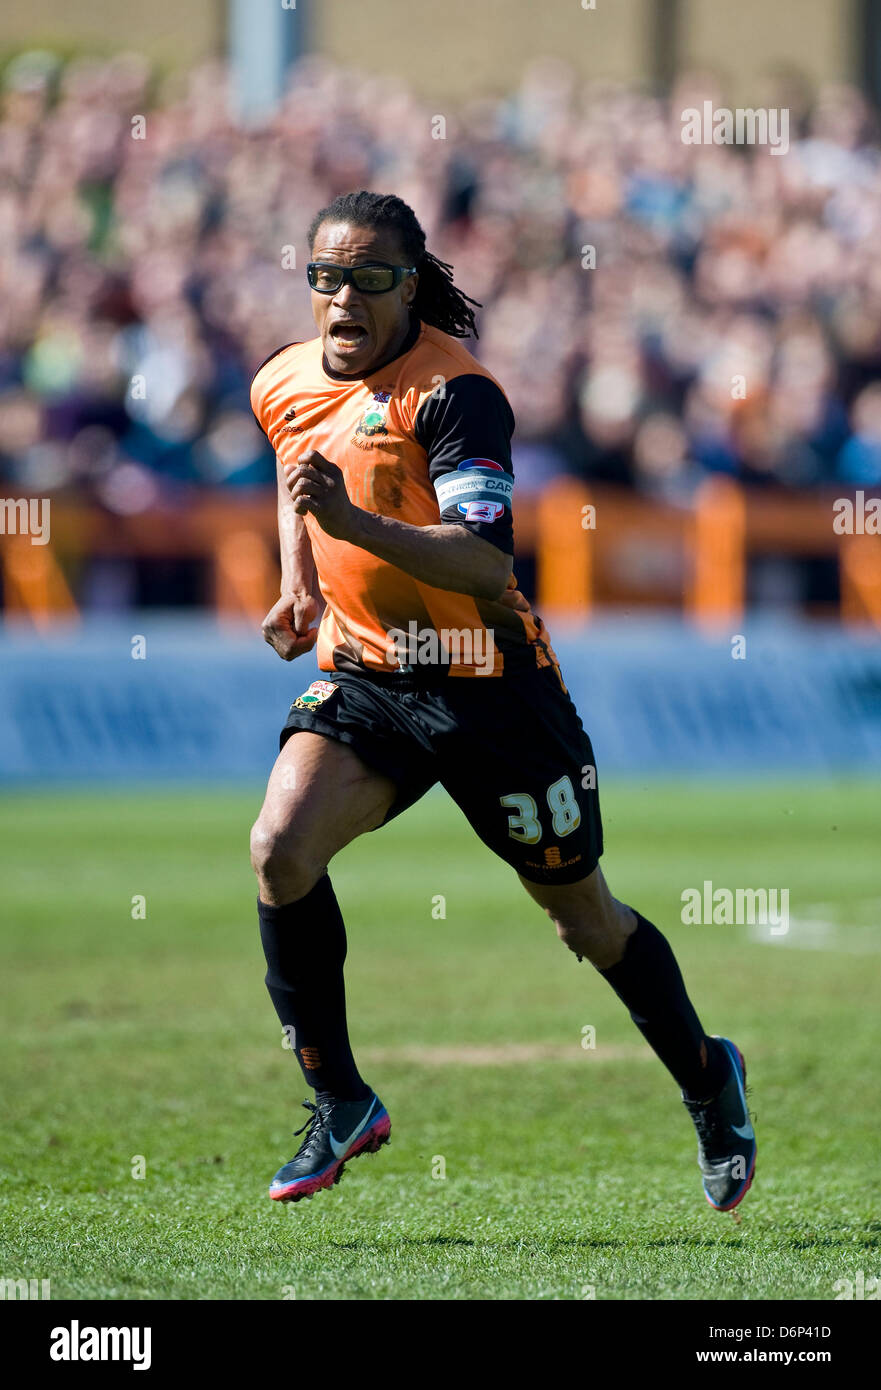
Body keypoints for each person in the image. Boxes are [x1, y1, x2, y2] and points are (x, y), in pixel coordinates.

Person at [249, 190, 756, 1213]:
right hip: (370, 673)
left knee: (584, 922)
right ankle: (339, 1097)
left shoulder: (456, 394)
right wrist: (299, 577)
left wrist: (350, 520)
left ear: (407, 286)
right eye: (325, 276)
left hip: (491, 689)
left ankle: (707, 1077)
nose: (342, 296)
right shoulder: (280, 380)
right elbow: (296, 467)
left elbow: (483, 561)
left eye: (369, 278)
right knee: (278, 849)